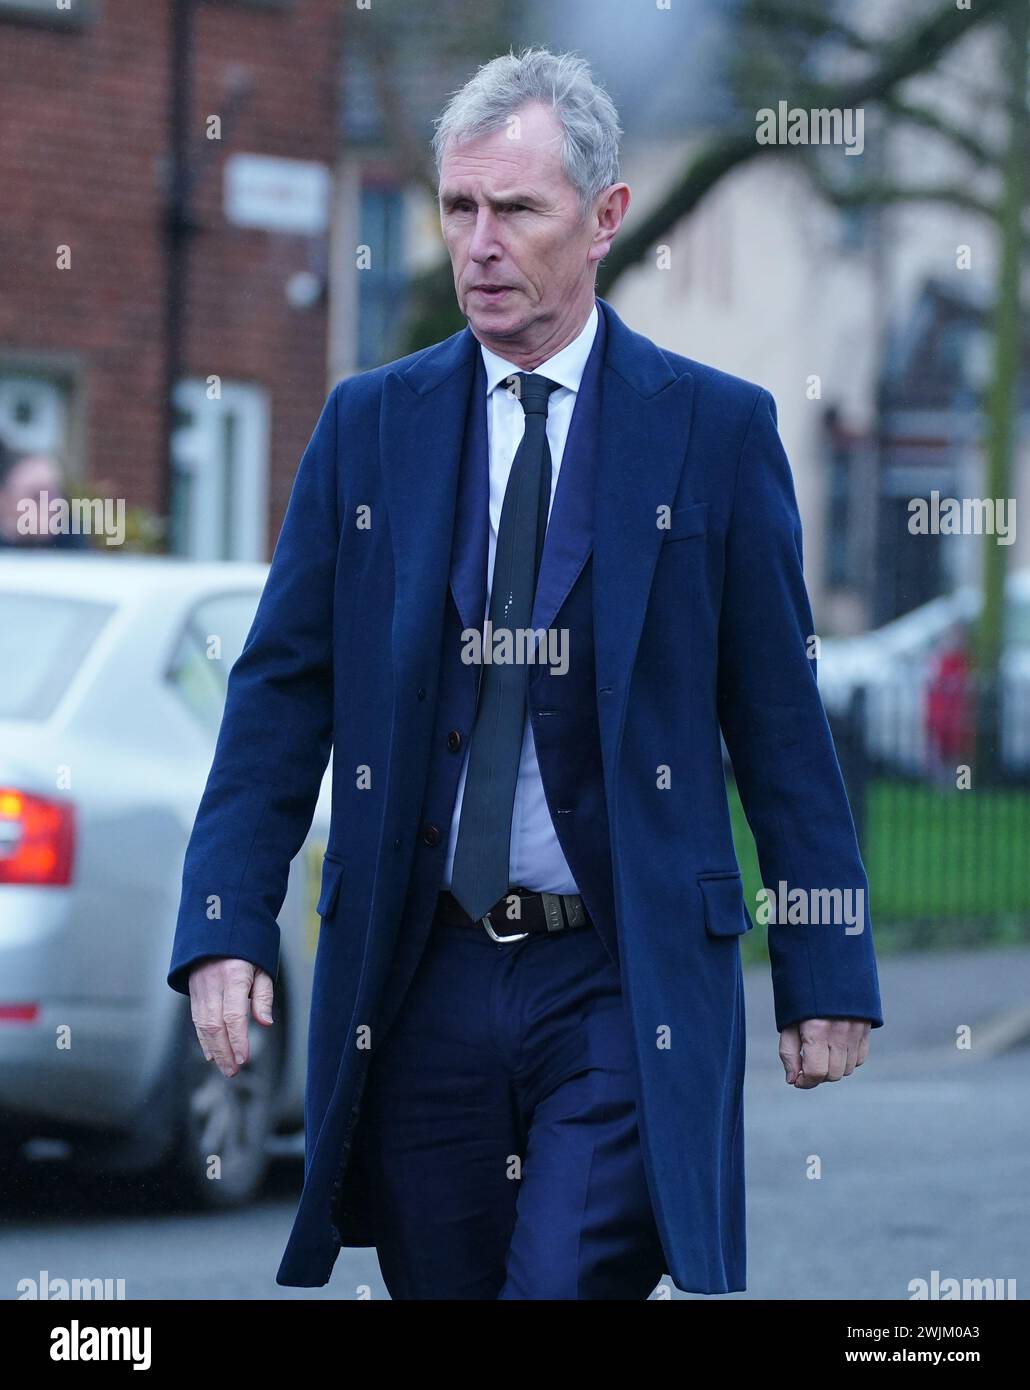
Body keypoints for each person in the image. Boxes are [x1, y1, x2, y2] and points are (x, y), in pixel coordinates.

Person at [167, 47, 883, 1300]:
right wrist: (226, 918)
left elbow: (776, 718)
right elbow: (281, 691)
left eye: (517, 209)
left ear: (604, 218)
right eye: (458, 208)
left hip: (617, 973)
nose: (479, 243)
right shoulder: (368, 427)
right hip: (420, 974)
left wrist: (825, 957)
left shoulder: (713, 430)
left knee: (559, 1279)